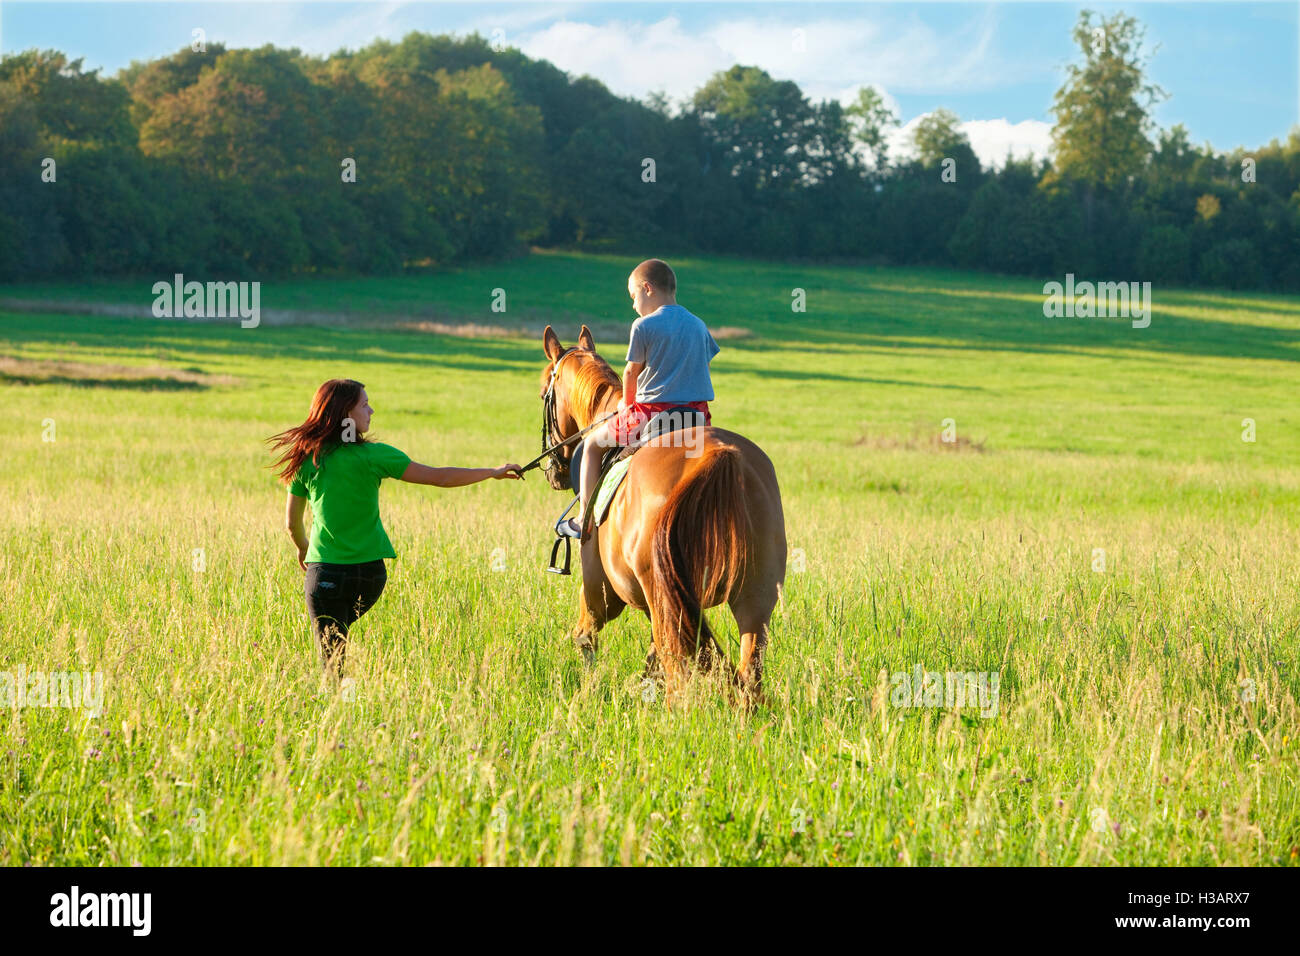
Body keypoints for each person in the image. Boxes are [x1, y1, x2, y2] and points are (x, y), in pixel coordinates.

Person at [267, 378, 521, 676]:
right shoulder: (375, 456)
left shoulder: (308, 459)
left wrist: (303, 548)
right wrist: (492, 472)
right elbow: (439, 477)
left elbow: (291, 524)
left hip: (325, 572)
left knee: (331, 659)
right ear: (345, 413)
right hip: (369, 576)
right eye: (364, 404)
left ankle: (335, 710)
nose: (371, 410)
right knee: (339, 634)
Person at [559, 258, 718, 538]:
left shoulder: (643, 326)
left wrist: (626, 404)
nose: (634, 305)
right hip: (696, 418)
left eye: (633, 296)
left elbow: (631, 372)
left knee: (593, 445)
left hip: (651, 417)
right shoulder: (699, 325)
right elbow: (701, 363)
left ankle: (584, 518)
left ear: (647, 289)